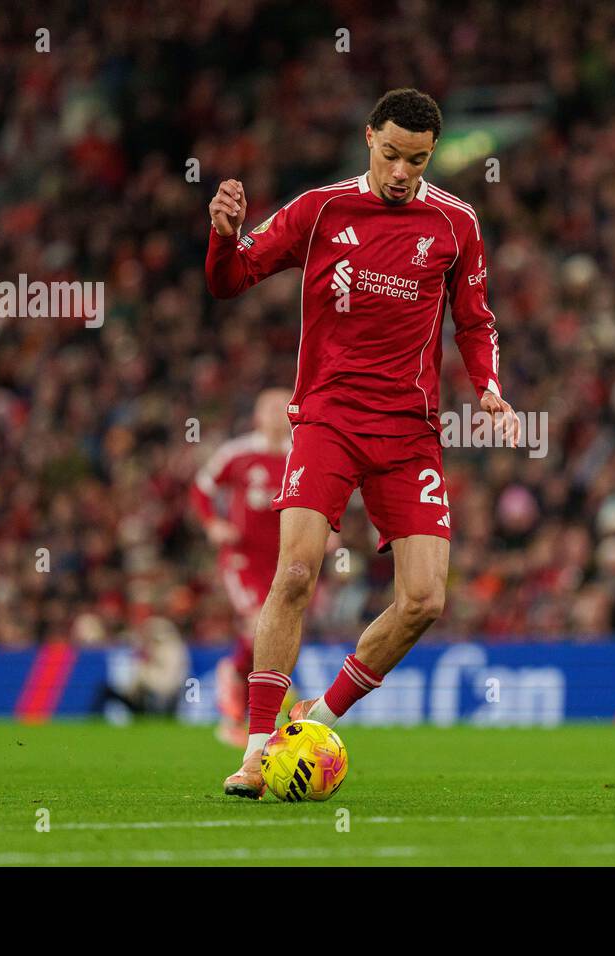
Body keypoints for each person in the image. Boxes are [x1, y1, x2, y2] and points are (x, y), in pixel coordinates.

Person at [205, 88, 520, 797]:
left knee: (424, 600)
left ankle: (312, 719)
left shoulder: (457, 224)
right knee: (294, 575)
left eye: (417, 158)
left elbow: (475, 320)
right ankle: (256, 752)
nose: (403, 171)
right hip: (328, 420)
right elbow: (232, 279)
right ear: (367, 138)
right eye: (391, 153)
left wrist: (488, 385)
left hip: (409, 435)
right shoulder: (320, 212)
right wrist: (224, 236)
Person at [190, 388, 293, 747]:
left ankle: (241, 683)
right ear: (257, 415)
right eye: (271, 408)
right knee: (257, 623)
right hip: (242, 559)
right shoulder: (237, 453)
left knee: (276, 632)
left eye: (285, 406)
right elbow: (202, 488)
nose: (279, 413)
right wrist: (212, 523)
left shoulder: (302, 455)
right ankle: (236, 704)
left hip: (287, 563)